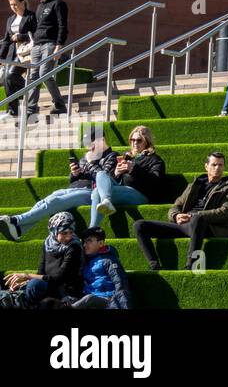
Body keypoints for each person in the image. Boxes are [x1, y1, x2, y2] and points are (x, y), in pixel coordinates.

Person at [0, 129, 163, 240]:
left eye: (138, 140)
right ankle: (20, 228)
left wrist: (130, 169)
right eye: (132, 139)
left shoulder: (143, 158)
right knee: (53, 196)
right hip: (98, 189)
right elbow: (111, 179)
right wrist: (76, 173)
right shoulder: (126, 157)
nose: (134, 142)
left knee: (88, 187)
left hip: (128, 193)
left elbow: (154, 181)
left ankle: (17, 221)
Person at [133, 151, 228, 272]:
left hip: (206, 226)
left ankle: (190, 265)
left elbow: (224, 212)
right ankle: (154, 264)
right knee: (139, 225)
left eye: (220, 165)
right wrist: (176, 215)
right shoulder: (194, 185)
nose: (217, 168)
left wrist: (194, 215)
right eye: (214, 164)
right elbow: (177, 204)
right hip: (184, 225)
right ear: (206, 166)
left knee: (198, 219)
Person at [0, 213, 81, 307]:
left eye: (71, 232)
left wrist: (27, 276)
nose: (69, 236)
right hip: (47, 285)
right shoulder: (48, 244)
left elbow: (59, 278)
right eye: (64, 233)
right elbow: (41, 271)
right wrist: (26, 282)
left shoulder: (74, 247)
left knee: (35, 284)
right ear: (54, 231)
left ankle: (22, 303)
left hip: (63, 289)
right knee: (25, 285)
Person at [28, 0, 69, 115]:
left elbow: (63, 27)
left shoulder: (59, 4)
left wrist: (59, 46)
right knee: (33, 76)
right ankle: (30, 108)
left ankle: (59, 104)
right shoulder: (40, 6)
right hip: (37, 46)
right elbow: (38, 27)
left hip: (50, 44)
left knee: (44, 74)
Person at [69, 227, 130, 309]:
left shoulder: (109, 260)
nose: (84, 245)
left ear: (101, 243)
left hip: (109, 300)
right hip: (90, 298)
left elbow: (120, 284)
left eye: (89, 241)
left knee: (89, 299)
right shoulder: (86, 262)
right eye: (84, 242)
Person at [1, 0, 36, 119]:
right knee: (6, 79)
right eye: (11, 5)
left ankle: (31, 89)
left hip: (25, 52)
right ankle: (13, 110)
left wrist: (22, 36)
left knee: (11, 75)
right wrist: (1, 57)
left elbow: (37, 35)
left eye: (15, 4)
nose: (13, 7)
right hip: (12, 52)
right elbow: (6, 40)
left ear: (22, 2)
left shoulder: (31, 16)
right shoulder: (10, 19)